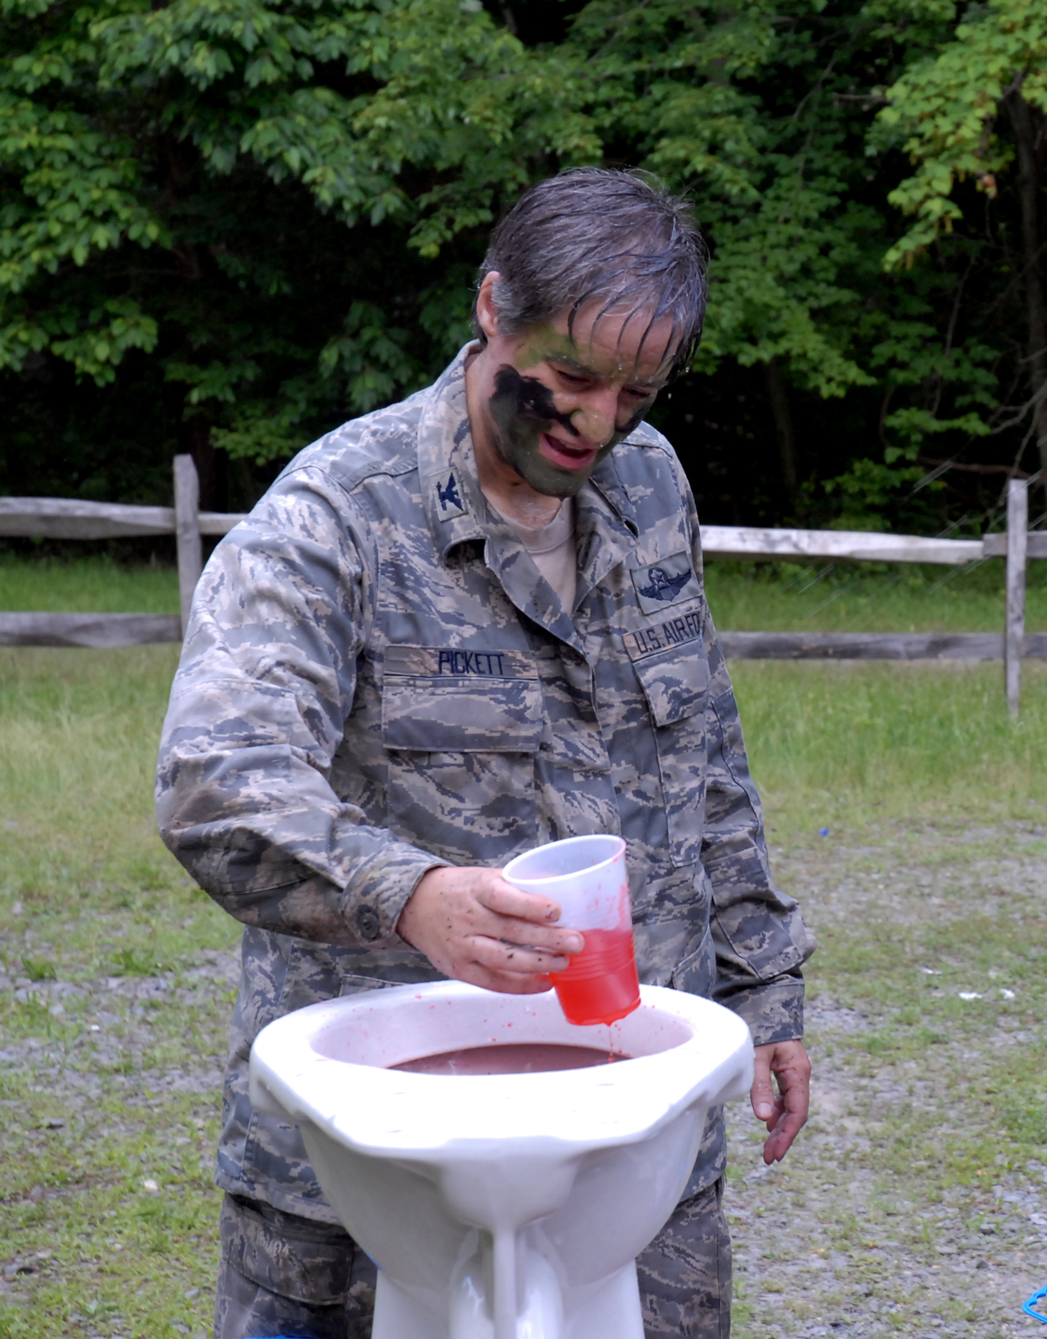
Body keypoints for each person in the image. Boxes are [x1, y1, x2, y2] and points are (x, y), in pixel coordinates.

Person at [155, 168, 814, 1339]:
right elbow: (216, 779)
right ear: (491, 307)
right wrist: (409, 894)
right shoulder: (336, 516)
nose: (599, 422)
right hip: (380, 1174)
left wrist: (765, 990)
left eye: (637, 390)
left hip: (630, 1144)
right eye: (568, 378)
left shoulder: (651, 487)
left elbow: (704, 752)